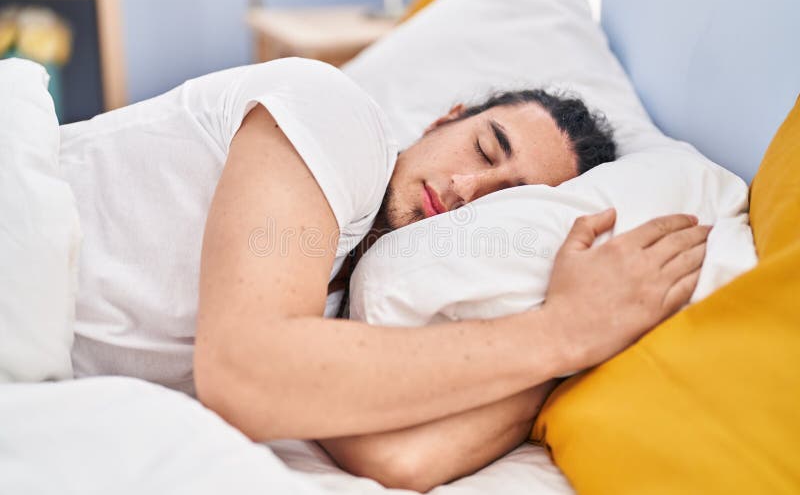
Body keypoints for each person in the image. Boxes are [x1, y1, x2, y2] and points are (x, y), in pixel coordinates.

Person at [60, 58, 709, 492]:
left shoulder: (342, 300)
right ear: (441, 119)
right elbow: (245, 370)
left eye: (503, 199)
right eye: (484, 148)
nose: (465, 189)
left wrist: (565, 362)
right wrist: (562, 331)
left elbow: (399, 458)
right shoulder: (339, 120)